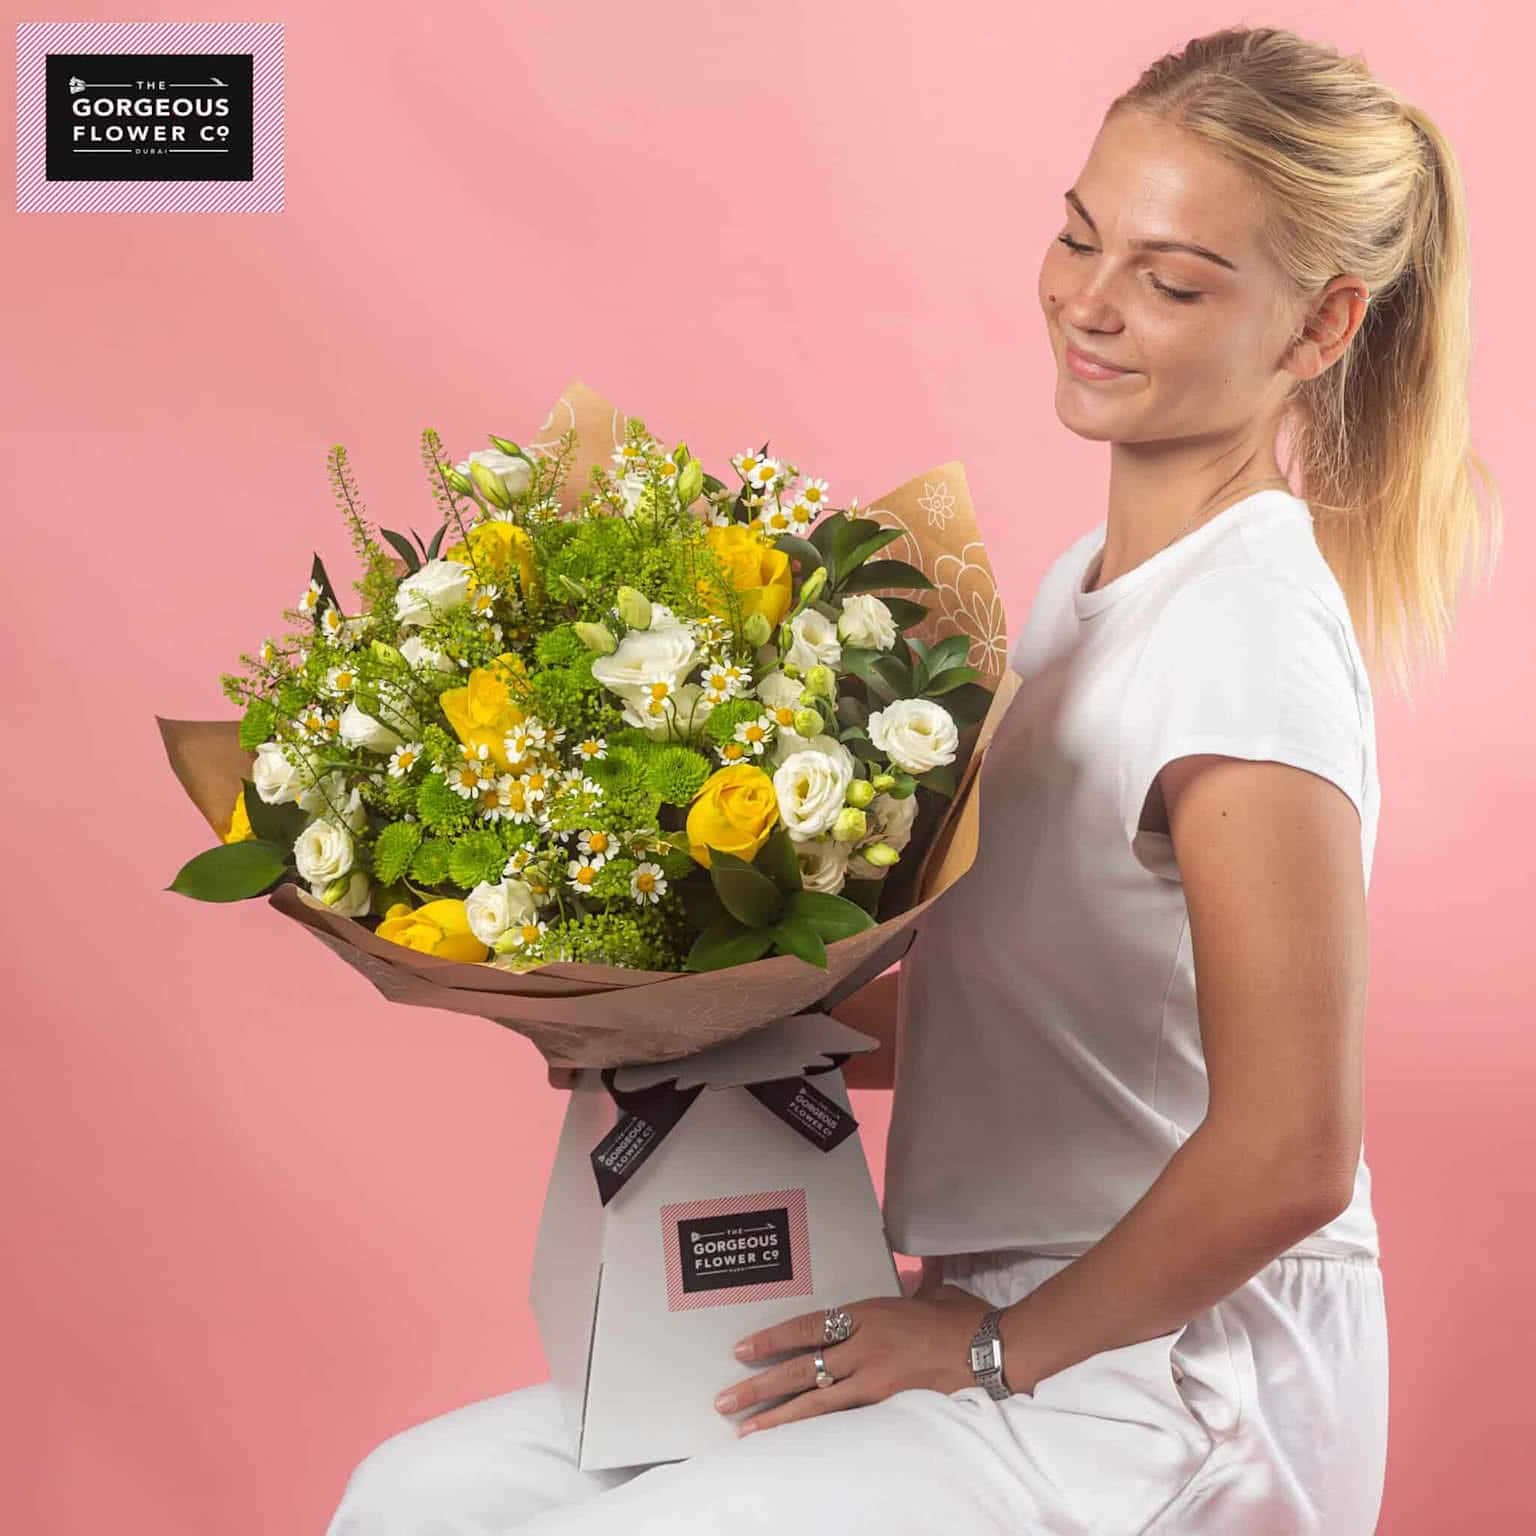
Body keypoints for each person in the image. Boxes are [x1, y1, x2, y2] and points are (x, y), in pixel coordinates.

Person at [324, 24, 1500, 1535]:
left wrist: (994, 1348)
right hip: (997, 1310)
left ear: (1321, 327)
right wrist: (638, 995)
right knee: (414, 1499)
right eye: (1078, 236)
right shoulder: (1087, 591)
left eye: (1172, 280)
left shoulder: (1247, 633)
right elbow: (1025, 1014)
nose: (1090, 300)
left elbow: (1291, 1154)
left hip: (1178, 1368)